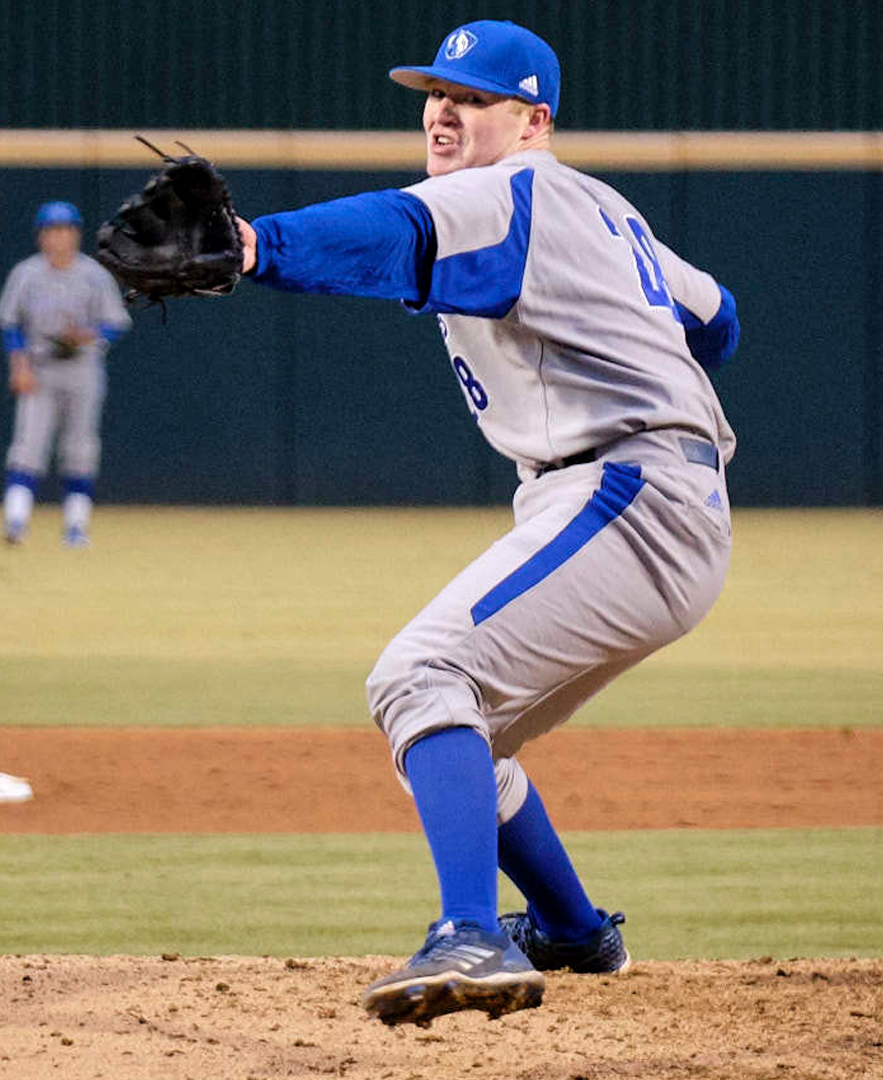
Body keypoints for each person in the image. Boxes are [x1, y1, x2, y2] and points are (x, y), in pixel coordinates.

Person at [236, 20, 741, 1025]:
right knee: (465, 733)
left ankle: (470, 933)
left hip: (627, 492)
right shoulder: (602, 206)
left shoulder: (508, 188)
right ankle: (570, 930)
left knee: (421, 676)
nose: (440, 109)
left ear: (531, 120)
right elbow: (718, 315)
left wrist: (255, 247)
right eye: (432, 92)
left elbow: (396, 231)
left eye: (467, 97)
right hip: (641, 490)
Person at [0, 201, 133, 547]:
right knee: (28, 445)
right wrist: (20, 366)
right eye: (52, 230)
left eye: (66, 229)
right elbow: (11, 325)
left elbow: (115, 323)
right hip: (40, 365)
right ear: (41, 236)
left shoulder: (93, 275)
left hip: (82, 367)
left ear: (76, 234)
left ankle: (75, 527)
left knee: (80, 447)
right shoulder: (26, 274)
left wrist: (88, 335)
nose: (59, 237)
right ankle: (15, 522)